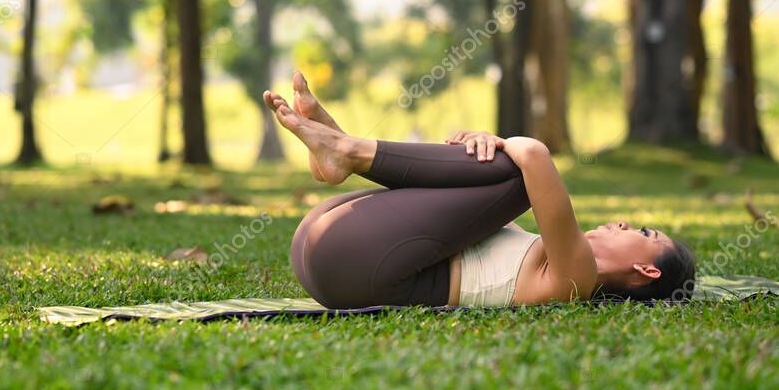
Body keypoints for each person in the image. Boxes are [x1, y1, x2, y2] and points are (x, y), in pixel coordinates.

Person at [263, 72, 696, 310]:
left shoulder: (578, 279)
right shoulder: (539, 257)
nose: (624, 223)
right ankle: (341, 147)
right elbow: (442, 202)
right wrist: (477, 148)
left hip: (349, 260)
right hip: (328, 249)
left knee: (513, 170)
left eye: (643, 233)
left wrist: (495, 146)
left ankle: (348, 150)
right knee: (500, 169)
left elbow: (536, 154)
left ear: (647, 272)